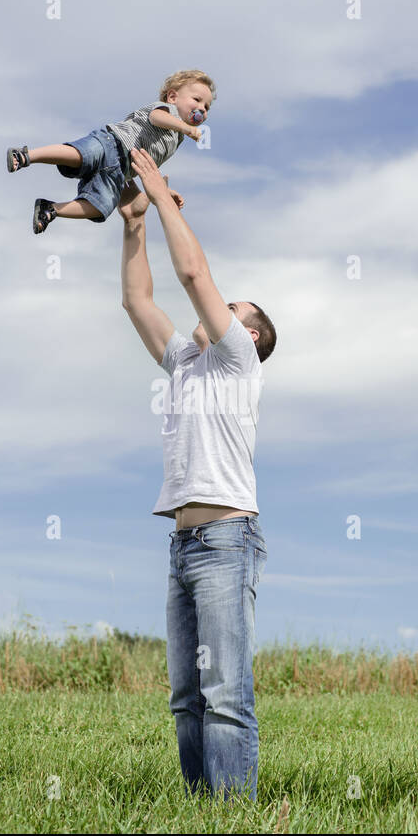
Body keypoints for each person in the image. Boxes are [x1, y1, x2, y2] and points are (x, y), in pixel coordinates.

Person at [118, 147, 276, 799]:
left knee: (225, 692)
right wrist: (133, 223)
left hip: (226, 543)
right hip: (183, 546)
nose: (217, 308)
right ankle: (200, 810)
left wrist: (158, 191)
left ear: (249, 334)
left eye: (230, 308)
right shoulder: (186, 361)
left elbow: (191, 272)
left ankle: (234, 813)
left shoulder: (239, 361)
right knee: (186, 696)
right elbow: (137, 298)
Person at [6, 70, 213, 234]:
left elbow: (148, 165)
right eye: (197, 100)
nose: (202, 109)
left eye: (207, 107)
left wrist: (163, 191)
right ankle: (26, 155)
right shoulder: (167, 111)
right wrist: (185, 128)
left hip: (120, 173)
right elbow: (155, 119)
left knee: (100, 207)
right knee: (80, 155)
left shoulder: (175, 140)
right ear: (173, 96)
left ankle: (51, 209)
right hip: (113, 143)